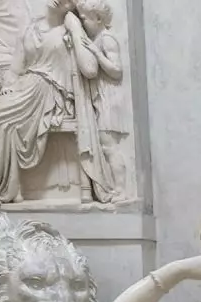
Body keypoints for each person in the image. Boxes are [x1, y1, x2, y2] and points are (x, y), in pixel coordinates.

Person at [0, 0, 100, 204]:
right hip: (23, 88)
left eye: (69, 0)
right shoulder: (31, 28)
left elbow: (89, 70)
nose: (61, 0)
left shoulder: (70, 28)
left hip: (46, 92)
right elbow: (15, 69)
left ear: (72, 7)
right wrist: (9, 84)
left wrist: (76, 31)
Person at [77, 0, 128, 199]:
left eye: (85, 18)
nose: (82, 22)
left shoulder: (106, 38)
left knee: (109, 146)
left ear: (98, 18)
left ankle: (121, 190)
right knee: (106, 145)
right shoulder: (96, 37)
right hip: (102, 97)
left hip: (110, 97)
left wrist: (96, 52)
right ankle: (117, 187)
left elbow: (116, 71)